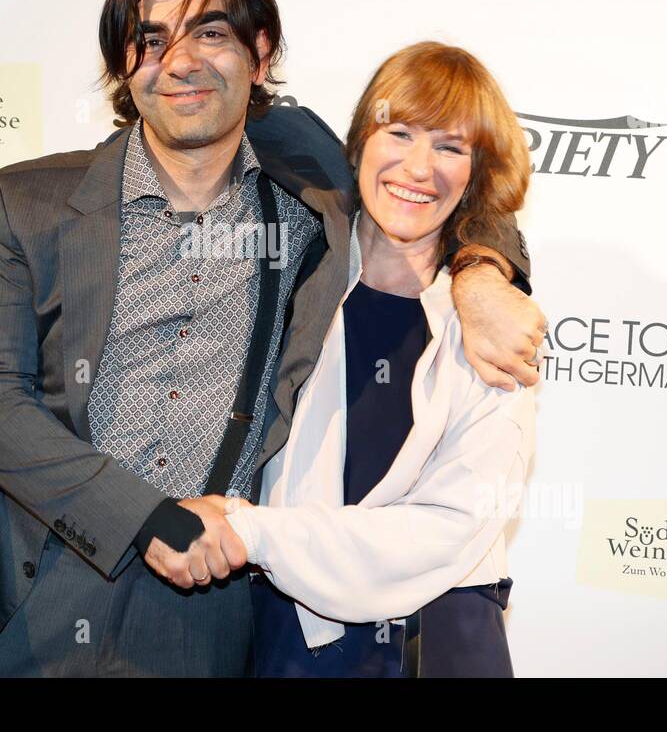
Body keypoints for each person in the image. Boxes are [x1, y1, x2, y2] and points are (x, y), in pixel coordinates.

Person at [0, 0, 544, 677]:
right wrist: (140, 515)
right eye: (150, 39)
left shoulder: (311, 190)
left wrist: (484, 274)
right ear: (123, 67)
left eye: (210, 33)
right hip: (38, 599)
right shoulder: (26, 202)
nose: (181, 62)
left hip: (208, 620)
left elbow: (445, 182)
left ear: (259, 56)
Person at [225, 42, 536, 677]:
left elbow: (449, 529)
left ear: (477, 174)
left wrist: (253, 533)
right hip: (289, 636)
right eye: (399, 133)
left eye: (451, 147)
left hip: (441, 644)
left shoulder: (494, 325)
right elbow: (238, 113)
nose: (420, 168)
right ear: (361, 142)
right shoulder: (291, 274)